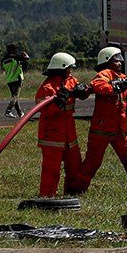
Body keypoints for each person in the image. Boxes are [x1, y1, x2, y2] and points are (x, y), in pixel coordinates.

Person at [81, 47, 127, 194]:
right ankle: (77, 190)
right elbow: (98, 86)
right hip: (102, 129)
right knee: (92, 163)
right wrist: (114, 86)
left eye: (120, 59)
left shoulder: (122, 78)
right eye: (116, 59)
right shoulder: (104, 75)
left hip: (120, 130)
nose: (120, 62)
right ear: (107, 60)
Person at [34, 52, 91, 197]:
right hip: (52, 136)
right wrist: (57, 103)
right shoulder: (47, 87)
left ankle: (71, 195)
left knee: (74, 167)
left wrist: (83, 91)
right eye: (69, 68)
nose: (70, 71)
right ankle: (47, 197)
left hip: (69, 137)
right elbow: (41, 108)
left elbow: (81, 90)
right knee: (51, 170)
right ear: (62, 68)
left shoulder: (71, 81)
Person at [1, 44, 30, 118]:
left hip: (9, 80)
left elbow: (3, 68)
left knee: (14, 97)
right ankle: (8, 111)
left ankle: (20, 113)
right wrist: (25, 54)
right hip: (17, 78)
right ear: (12, 50)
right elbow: (27, 58)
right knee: (15, 96)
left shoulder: (3, 59)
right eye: (15, 49)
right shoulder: (16, 57)